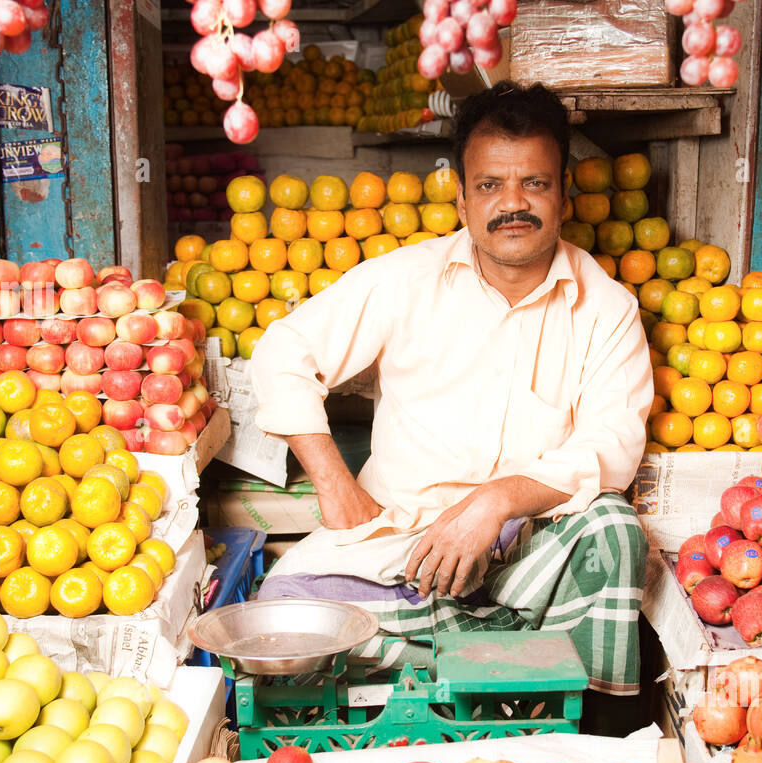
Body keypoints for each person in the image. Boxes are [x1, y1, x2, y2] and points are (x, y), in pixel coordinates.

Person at [249, 81, 654, 728]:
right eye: (491, 185)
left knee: (612, 529)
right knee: (284, 625)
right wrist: (332, 481)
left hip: (525, 558)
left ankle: (582, 740)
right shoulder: (405, 280)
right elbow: (281, 351)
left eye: (535, 184)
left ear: (564, 197)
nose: (512, 204)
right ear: (462, 199)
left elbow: (612, 444)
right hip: (399, 551)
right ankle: (491, 678)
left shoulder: (605, 307)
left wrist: (495, 501)